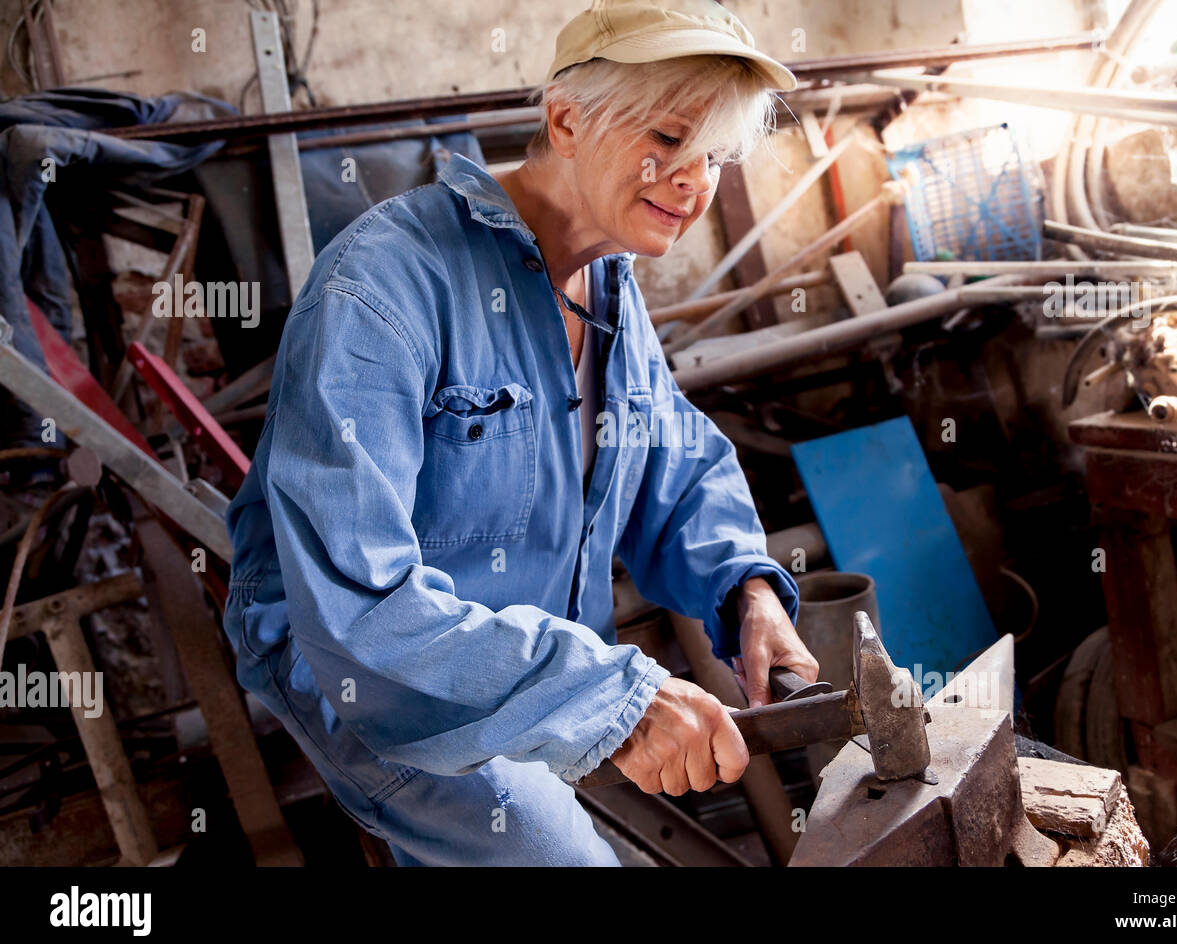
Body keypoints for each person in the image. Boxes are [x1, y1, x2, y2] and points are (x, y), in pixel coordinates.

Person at [222, 0, 818, 866]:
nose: (694, 181)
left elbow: (667, 461)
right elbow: (360, 607)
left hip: (518, 647)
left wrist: (746, 590)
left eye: (717, 158)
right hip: (362, 671)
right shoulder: (383, 286)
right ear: (566, 120)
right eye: (669, 138)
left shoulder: (606, 277)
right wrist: (603, 696)